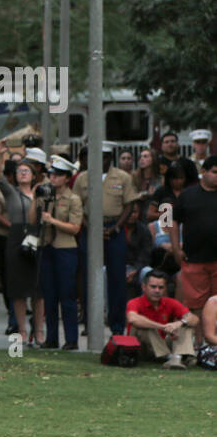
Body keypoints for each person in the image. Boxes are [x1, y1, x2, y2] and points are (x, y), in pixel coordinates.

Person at [74, 144, 141, 338]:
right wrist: (90, 228)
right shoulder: (82, 178)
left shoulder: (123, 177)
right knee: (88, 278)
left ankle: (117, 325)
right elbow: (77, 206)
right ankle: (89, 322)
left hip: (115, 229)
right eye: (98, 156)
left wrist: (117, 226)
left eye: (105, 157)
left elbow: (129, 204)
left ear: (110, 158)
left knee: (117, 279)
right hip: (90, 228)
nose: (102, 161)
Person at [36, 156, 84, 351]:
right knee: (49, 295)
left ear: (66, 178)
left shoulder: (73, 199)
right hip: (46, 246)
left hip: (65, 248)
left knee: (67, 295)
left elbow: (75, 227)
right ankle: (51, 337)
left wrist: (52, 221)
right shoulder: (46, 195)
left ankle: (71, 339)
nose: (52, 179)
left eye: (57, 175)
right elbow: (34, 219)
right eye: (51, 175)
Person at [0, 160, 44, 344]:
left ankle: (39, 331)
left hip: (36, 236)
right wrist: (1, 153)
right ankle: (21, 329)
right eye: (19, 171)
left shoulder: (41, 193)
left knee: (39, 290)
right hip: (16, 238)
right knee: (18, 289)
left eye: (26, 171)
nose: (23, 173)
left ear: (33, 175)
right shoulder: (11, 192)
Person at [166, 155, 217, 314]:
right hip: (193, 258)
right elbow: (173, 221)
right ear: (203, 172)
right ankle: (199, 339)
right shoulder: (187, 195)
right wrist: (175, 247)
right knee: (196, 305)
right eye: (215, 172)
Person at [126, 272, 199, 368]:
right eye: (153, 287)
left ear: (165, 289)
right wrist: (162, 327)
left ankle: (177, 358)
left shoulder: (170, 302)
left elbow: (194, 319)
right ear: (144, 287)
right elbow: (132, 318)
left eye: (161, 287)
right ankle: (175, 358)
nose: (157, 290)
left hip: (163, 344)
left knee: (185, 326)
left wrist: (179, 323)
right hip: (142, 348)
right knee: (142, 326)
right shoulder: (134, 302)